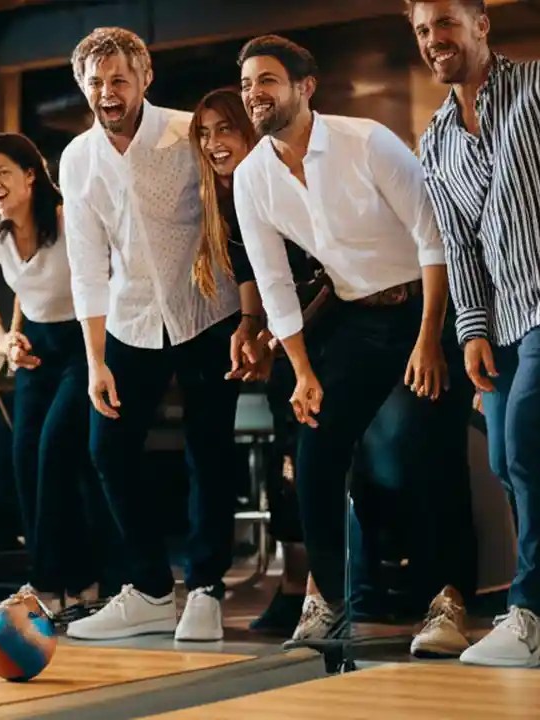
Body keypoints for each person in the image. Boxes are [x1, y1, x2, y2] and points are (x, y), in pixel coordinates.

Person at [233, 34, 474, 658]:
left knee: (426, 448)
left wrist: (428, 339)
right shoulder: (253, 177)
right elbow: (275, 283)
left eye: (267, 81)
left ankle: (446, 601)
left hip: (427, 306)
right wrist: (302, 370)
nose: (254, 94)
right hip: (354, 317)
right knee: (314, 450)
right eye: (247, 84)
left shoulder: (366, 141)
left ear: (304, 88)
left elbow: (434, 236)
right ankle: (329, 602)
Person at [411, 0, 540, 667]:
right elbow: (461, 244)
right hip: (502, 319)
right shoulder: (436, 140)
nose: (434, 38)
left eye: (446, 22)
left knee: (528, 437)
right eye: (422, 30)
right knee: (506, 459)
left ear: (481, 24)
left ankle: (529, 613)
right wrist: (470, 330)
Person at [58, 27, 245, 642]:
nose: (108, 93)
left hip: (207, 310)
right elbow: (86, 267)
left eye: (119, 80)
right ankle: (150, 590)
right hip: (130, 319)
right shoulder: (77, 159)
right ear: (83, 88)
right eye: (97, 83)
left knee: (209, 449)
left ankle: (208, 588)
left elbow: (236, 210)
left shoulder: (188, 132)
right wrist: (94, 360)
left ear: (144, 79)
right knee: (107, 449)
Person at [189, 86, 331, 636]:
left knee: (319, 459)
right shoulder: (225, 202)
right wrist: (252, 332)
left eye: (225, 129)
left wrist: (283, 336)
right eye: (204, 134)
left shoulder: (286, 178)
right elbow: (253, 283)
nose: (214, 143)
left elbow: (327, 270)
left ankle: (330, 586)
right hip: (286, 343)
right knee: (286, 464)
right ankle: (296, 585)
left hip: (329, 330)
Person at [0, 132, 115, 611]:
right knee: (25, 460)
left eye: (4, 173)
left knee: (56, 453)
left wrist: (99, 356)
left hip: (82, 344)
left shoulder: (65, 216)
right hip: (33, 349)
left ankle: (86, 580)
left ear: (31, 175)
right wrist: (4, 339)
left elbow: (103, 281)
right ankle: (47, 584)